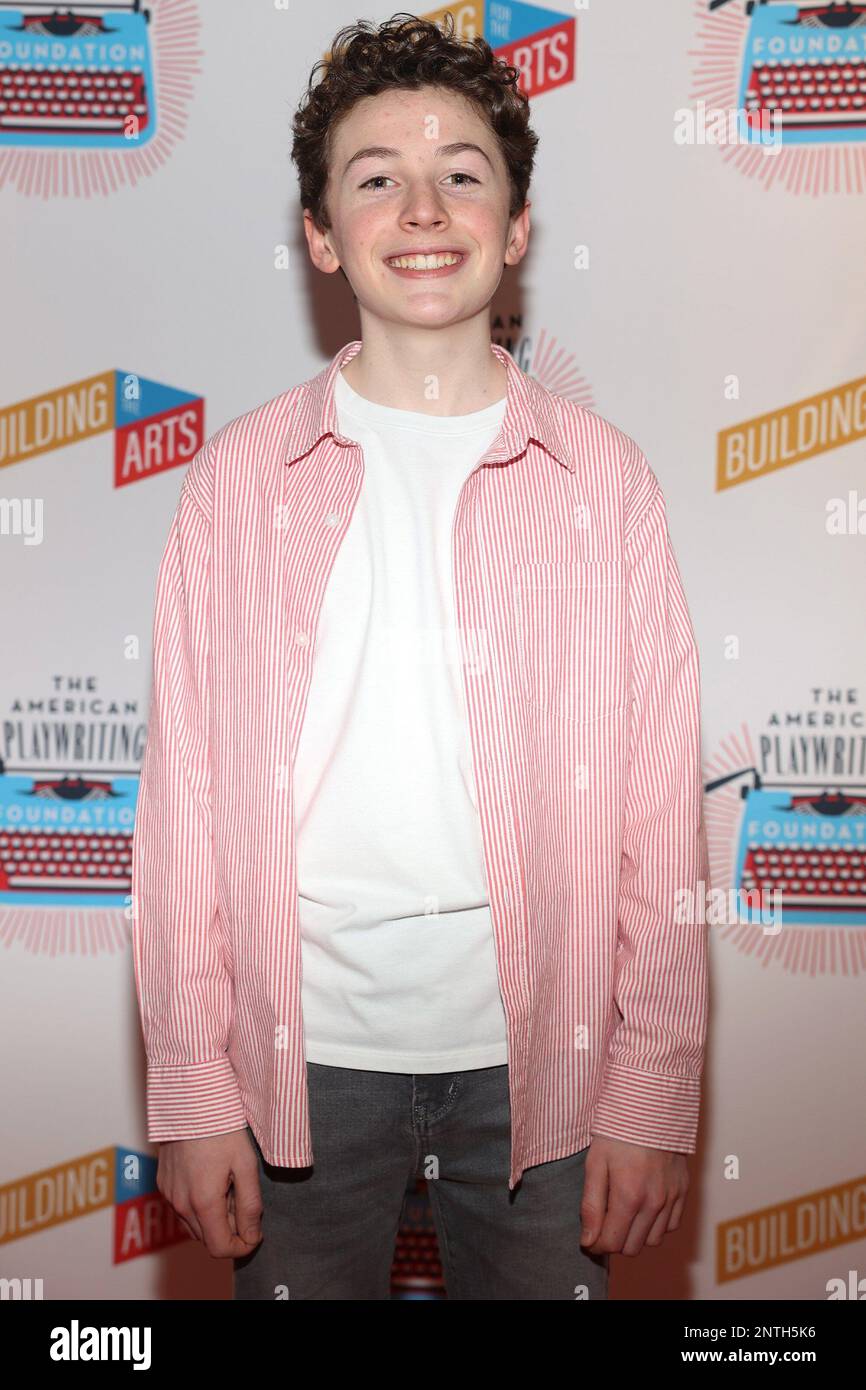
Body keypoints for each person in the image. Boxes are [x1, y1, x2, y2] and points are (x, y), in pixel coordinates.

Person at [131, 11, 710, 1301]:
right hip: (294, 1066)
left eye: (463, 171)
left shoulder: (602, 484)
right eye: (375, 176)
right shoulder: (237, 486)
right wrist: (191, 1080)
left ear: (513, 232)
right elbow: (178, 809)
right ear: (324, 237)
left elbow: (661, 805)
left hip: (547, 1068)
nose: (424, 203)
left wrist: (655, 1079)